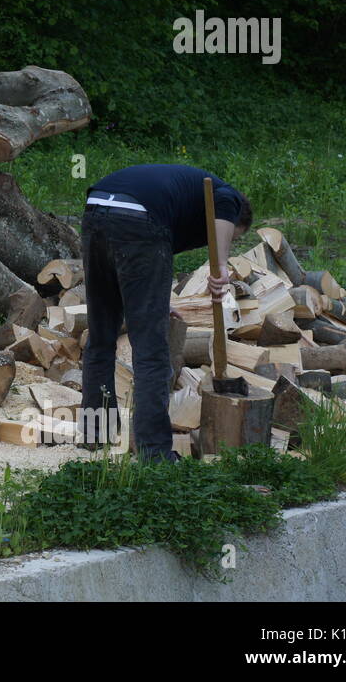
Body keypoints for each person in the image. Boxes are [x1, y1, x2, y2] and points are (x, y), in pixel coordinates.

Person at [78, 163, 252, 461]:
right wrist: (222, 265)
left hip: (96, 211)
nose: (224, 240)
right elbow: (225, 202)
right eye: (233, 236)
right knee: (151, 350)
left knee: (101, 338)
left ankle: (97, 434)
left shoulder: (179, 204)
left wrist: (157, 299)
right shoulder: (226, 197)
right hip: (137, 218)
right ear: (236, 220)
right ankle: (154, 453)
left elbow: (144, 260)